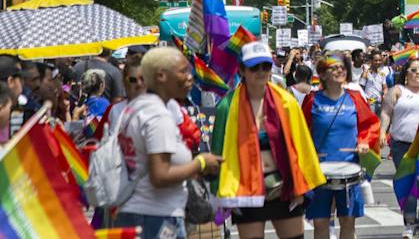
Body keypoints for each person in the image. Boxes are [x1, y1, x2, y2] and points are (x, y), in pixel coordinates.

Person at [211, 42, 324, 239]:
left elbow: (301, 145)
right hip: (246, 190)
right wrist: (219, 195)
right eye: (254, 67)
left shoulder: (285, 101)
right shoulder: (227, 107)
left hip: (284, 187)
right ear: (242, 70)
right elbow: (218, 153)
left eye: (266, 66)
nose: (261, 71)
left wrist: (301, 186)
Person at [115, 47, 222, 239]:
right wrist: (201, 163)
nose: (190, 77)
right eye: (182, 71)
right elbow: (160, 175)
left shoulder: (137, 109)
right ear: (161, 76)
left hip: (141, 215)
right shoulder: (157, 116)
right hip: (154, 219)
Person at [304, 54, 380, 239]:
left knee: (348, 222)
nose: (339, 71)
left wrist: (364, 141)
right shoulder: (312, 100)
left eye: (342, 68)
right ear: (322, 73)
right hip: (319, 173)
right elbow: (300, 132)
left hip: (350, 173)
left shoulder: (354, 98)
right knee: (321, 223)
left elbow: (370, 125)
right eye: (333, 68)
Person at [380, 55, 419, 238]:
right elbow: (386, 113)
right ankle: (409, 222)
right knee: (408, 184)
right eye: (413, 70)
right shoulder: (397, 90)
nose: (417, 74)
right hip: (401, 145)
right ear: (406, 73)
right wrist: (382, 132)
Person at [360, 50, 388, 115]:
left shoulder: (382, 74)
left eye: (379, 60)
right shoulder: (366, 72)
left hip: (380, 103)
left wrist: (385, 93)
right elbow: (361, 86)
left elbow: (385, 87)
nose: (378, 62)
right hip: (370, 103)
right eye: (376, 60)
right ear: (371, 61)